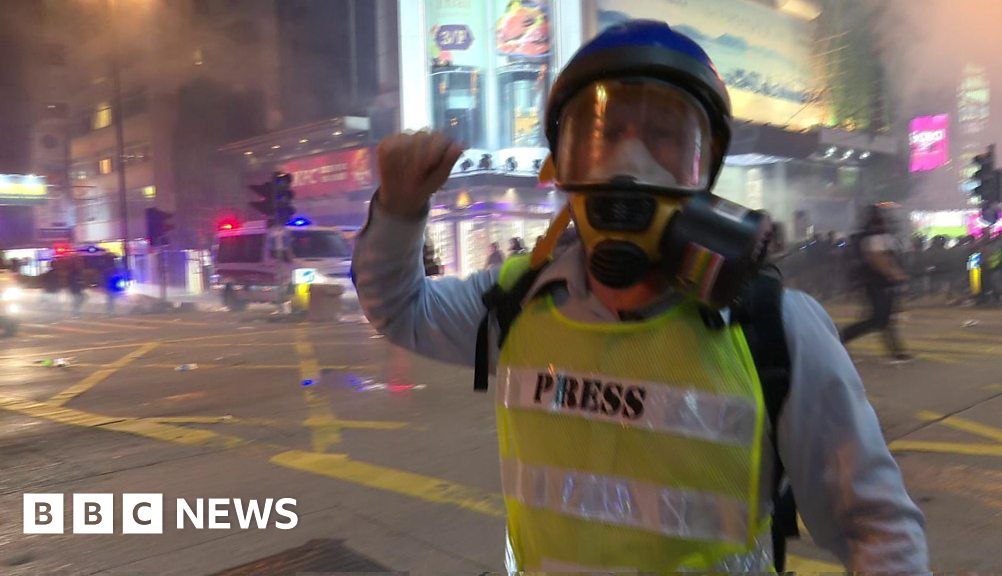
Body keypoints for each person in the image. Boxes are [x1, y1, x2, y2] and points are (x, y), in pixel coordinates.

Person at [354, 20, 926, 573]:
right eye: (604, 136)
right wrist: (400, 212)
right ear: (564, 165)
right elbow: (402, 310)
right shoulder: (517, 304)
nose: (629, 165)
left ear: (704, 172)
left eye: (662, 137)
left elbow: (876, 526)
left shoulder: (774, 329)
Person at [840, 204, 911, 361]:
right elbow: (877, 259)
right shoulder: (875, 236)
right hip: (877, 282)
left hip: (880, 282)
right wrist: (895, 274)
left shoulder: (877, 235)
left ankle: (896, 351)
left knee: (884, 318)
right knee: (879, 319)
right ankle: (841, 338)